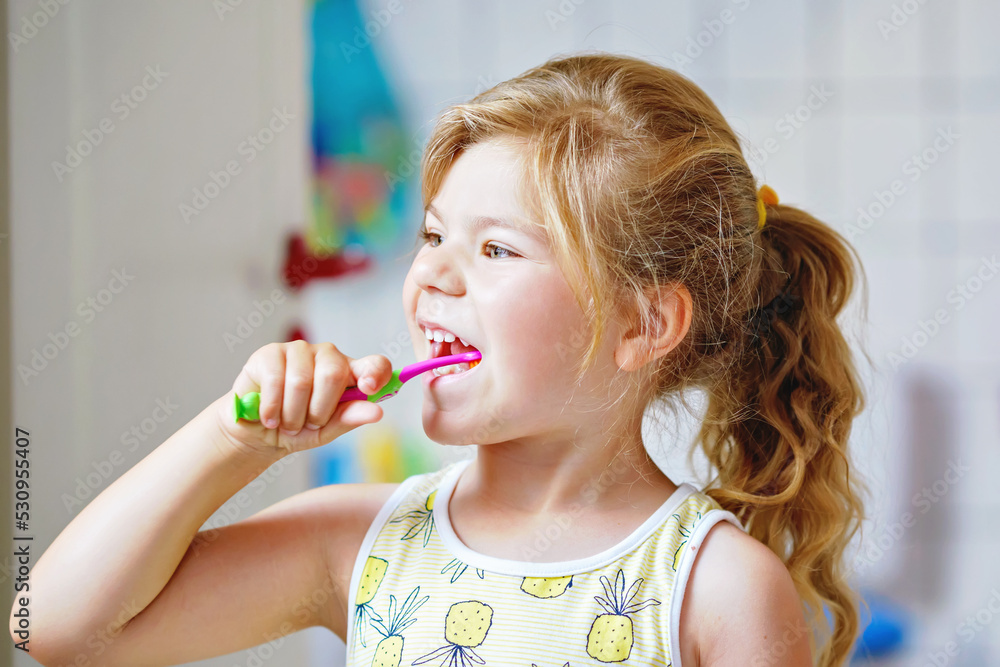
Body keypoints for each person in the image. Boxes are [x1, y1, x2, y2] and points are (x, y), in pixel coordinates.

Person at [13, 52, 869, 667]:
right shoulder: (364, 541)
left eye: (496, 250)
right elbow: (51, 628)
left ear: (644, 323)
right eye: (432, 235)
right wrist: (233, 439)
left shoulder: (715, 586)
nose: (429, 274)